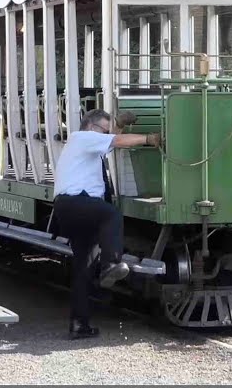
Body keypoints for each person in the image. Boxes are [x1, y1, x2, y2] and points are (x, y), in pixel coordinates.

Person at [52, 109, 159, 339]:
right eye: (105, 129)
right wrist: (149, 139)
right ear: (91, 127)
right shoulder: (81, 138)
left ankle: (79, 324)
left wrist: (118, 125)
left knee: (83, 268)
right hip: (77, 203)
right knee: (111, 215)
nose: (107, 134)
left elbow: (112, 142)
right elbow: (117, 141)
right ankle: (111, 263)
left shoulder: (88, 146)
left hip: (70, 208)